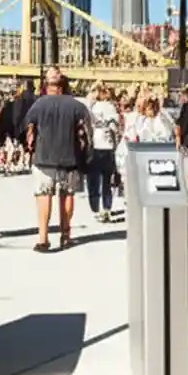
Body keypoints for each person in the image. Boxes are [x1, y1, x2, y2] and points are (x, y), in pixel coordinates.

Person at [24, 74, 92, 252]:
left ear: (48, 87)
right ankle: (66, 235)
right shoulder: (77, 106)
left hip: (44, 158)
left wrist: (29, 147)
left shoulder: (39, 105)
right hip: (70, 157)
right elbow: (86, 132)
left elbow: (29, 130)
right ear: (65, 87)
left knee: (44, 195)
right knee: (67, 195)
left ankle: (43, 238)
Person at [85, 81, 121, 223]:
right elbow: (115, 129)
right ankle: (107, 208)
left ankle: (96, 207)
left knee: (94, 179)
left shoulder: (91, 107)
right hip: (108, 146)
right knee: (107, 180)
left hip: (95, 145)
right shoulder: (111, 108)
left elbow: (87, 127)